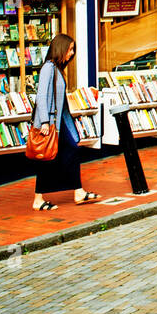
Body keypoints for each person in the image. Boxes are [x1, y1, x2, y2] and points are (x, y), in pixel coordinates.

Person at [30, 33, 99, 210]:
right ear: (60, 49)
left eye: (73, 50)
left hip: (58, 122)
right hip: (50, 123)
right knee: (48, 158)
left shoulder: (57, 69)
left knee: (69, 152)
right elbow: (41, 96)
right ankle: (38, 200)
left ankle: (78, 191)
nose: (71, 53)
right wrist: (44, 122)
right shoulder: (48, 68)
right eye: (69, 49)